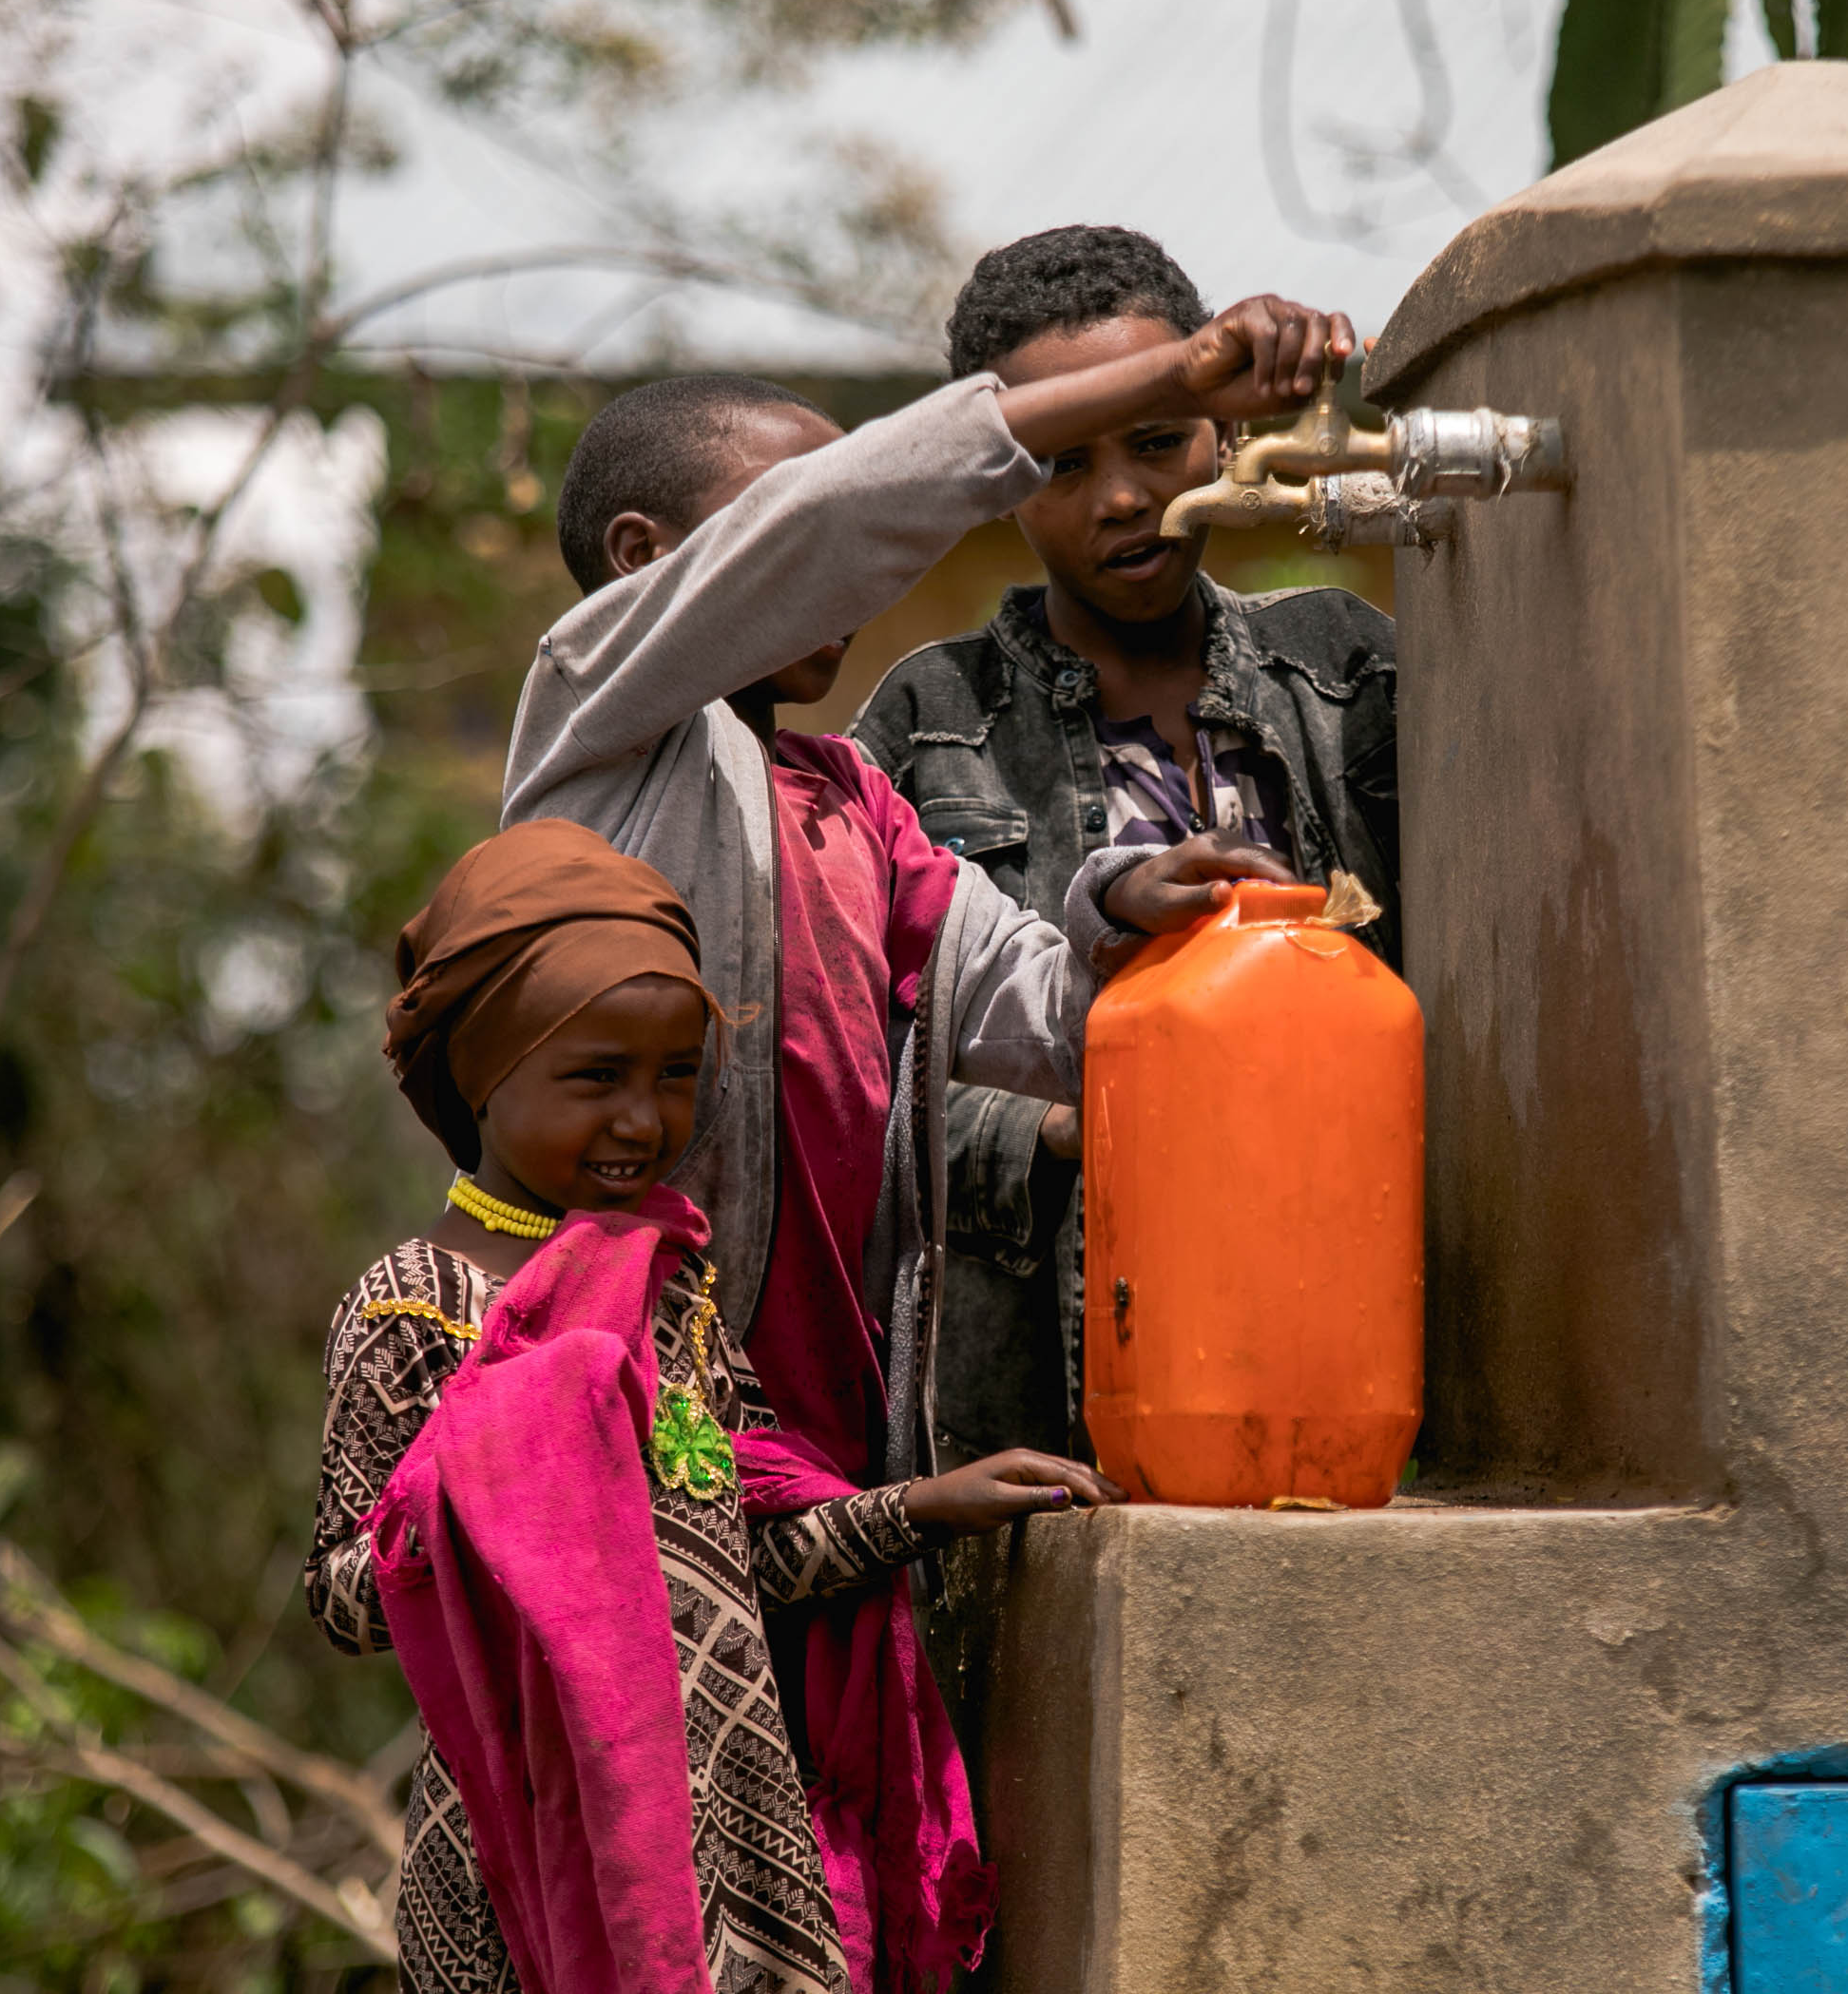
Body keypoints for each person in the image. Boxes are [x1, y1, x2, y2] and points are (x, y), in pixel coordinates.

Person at [494, 298, 1339, 1991]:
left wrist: (1129, 914)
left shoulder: (845, 801)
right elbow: (833, 519)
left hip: (833, 1461)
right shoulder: (600, 716)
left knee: (842, 1913)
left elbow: (1031, 1009)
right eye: (812, 549)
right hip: (649, 1451)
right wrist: (1172, 383)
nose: (861, 589)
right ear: (654, 563)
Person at [303, 819, 1121, 1994]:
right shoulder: (418, 1301)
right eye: (597, 1077)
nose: (644, 1120)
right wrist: (510, 1469)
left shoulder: (670, 1286)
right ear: (483, 1072)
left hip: (726, 1825)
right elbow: (345, 1595)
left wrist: (928, 1505)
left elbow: (741, 1546)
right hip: (522, 1851)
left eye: (676, 1076)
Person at [851, 226, 1402, 1460]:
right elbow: (840, 1090)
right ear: (996, 478)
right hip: (1042, 1396)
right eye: (1060, 462)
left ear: (1222, 432)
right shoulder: (924, 728)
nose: (1119, 496)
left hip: (1354, 1331)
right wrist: (1060, 1136)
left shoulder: (1351, 668)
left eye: (1157, 441)